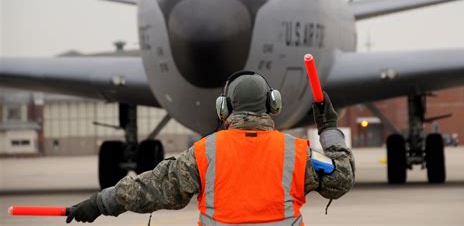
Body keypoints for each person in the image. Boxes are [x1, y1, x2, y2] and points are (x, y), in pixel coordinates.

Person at [66, 71, 355, 225]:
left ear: (224, 109)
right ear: (272, 105)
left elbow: (150, 188)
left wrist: (99, 203)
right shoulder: (299, 152)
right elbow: (341, 178)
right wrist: (328, 128)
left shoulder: (205, 152)